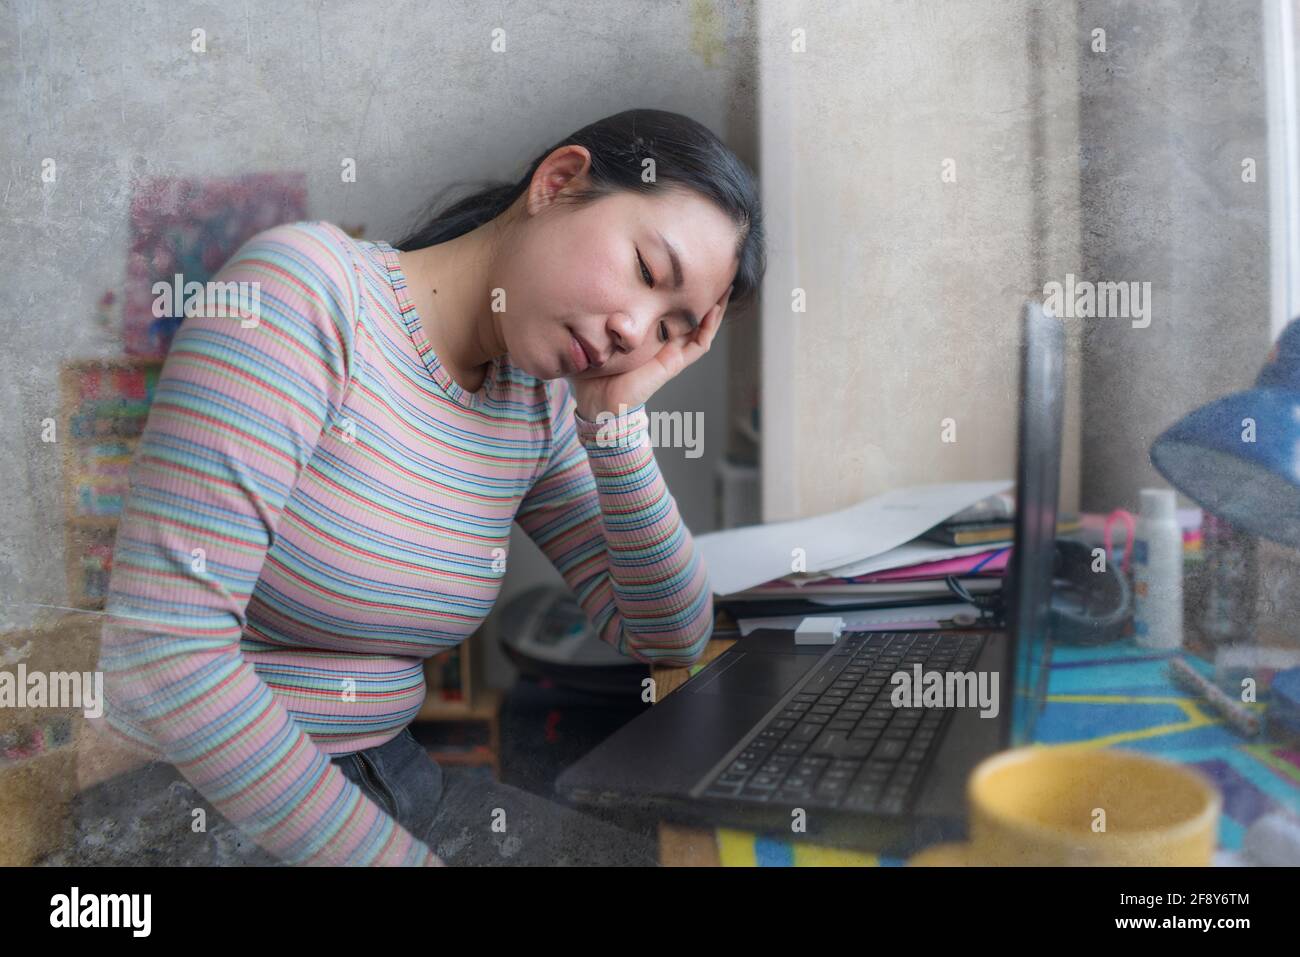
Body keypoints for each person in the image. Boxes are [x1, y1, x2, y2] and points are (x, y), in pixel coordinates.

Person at [92, 108, 766, 866]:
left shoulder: (534, 402)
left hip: (396, 778)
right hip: (204, 800)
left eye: (671, 330)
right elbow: (162, 654)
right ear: (559, 182)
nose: (634, 333)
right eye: (647, 271)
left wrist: (615, 424)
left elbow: (668, 632)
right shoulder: (304, 294)